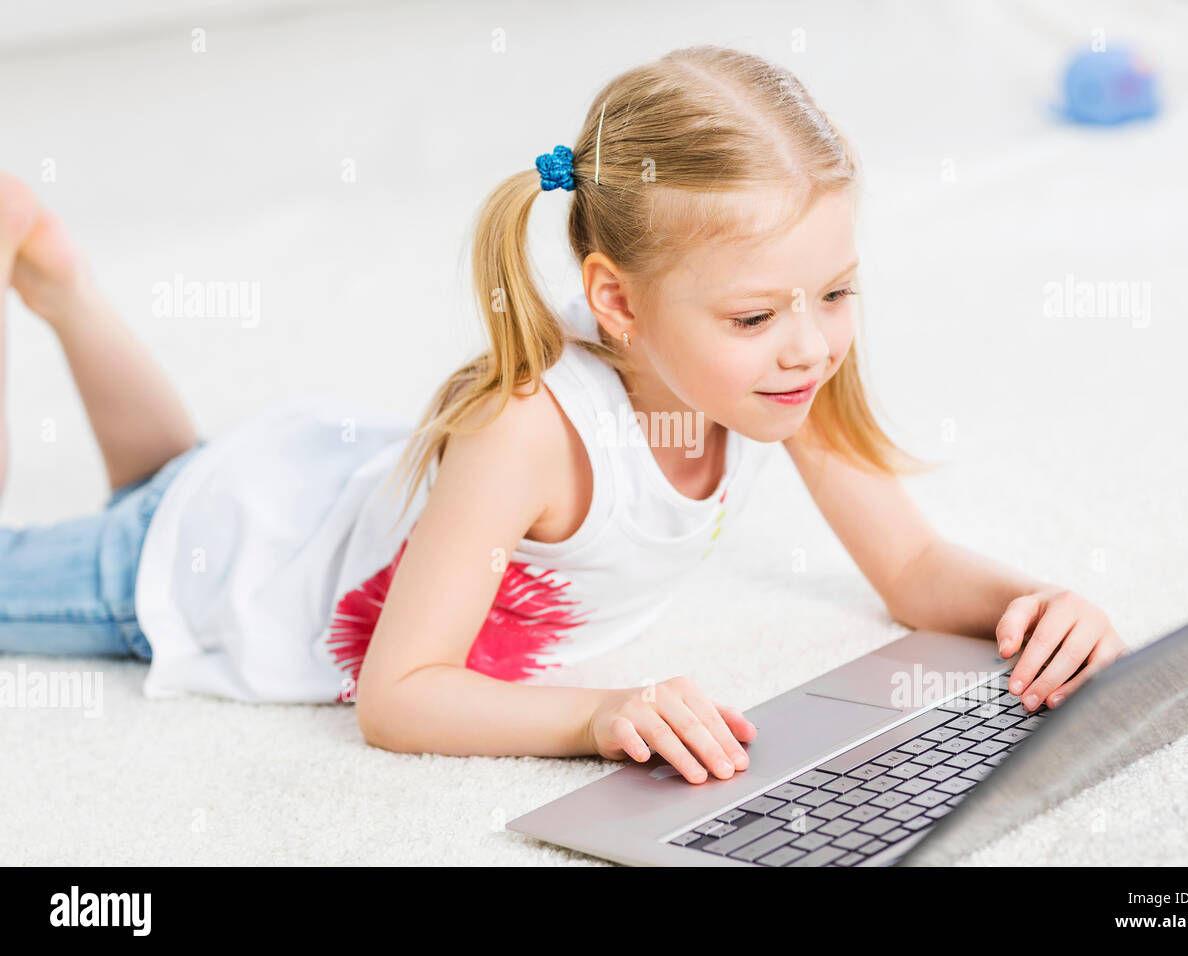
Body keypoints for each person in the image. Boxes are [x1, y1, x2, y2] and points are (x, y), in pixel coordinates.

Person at [0, 45, 1127, 786]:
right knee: (143, 528)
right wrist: (597, 715)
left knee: (173, 478)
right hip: (217, 568)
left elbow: (914, 567)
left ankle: (58, 286)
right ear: (616, 301)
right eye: (754, 313)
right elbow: (397, 696)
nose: (812, 343)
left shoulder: (778, 380)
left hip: (283, 495)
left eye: (834, 292)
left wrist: (1033, 600)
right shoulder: (531, 436)